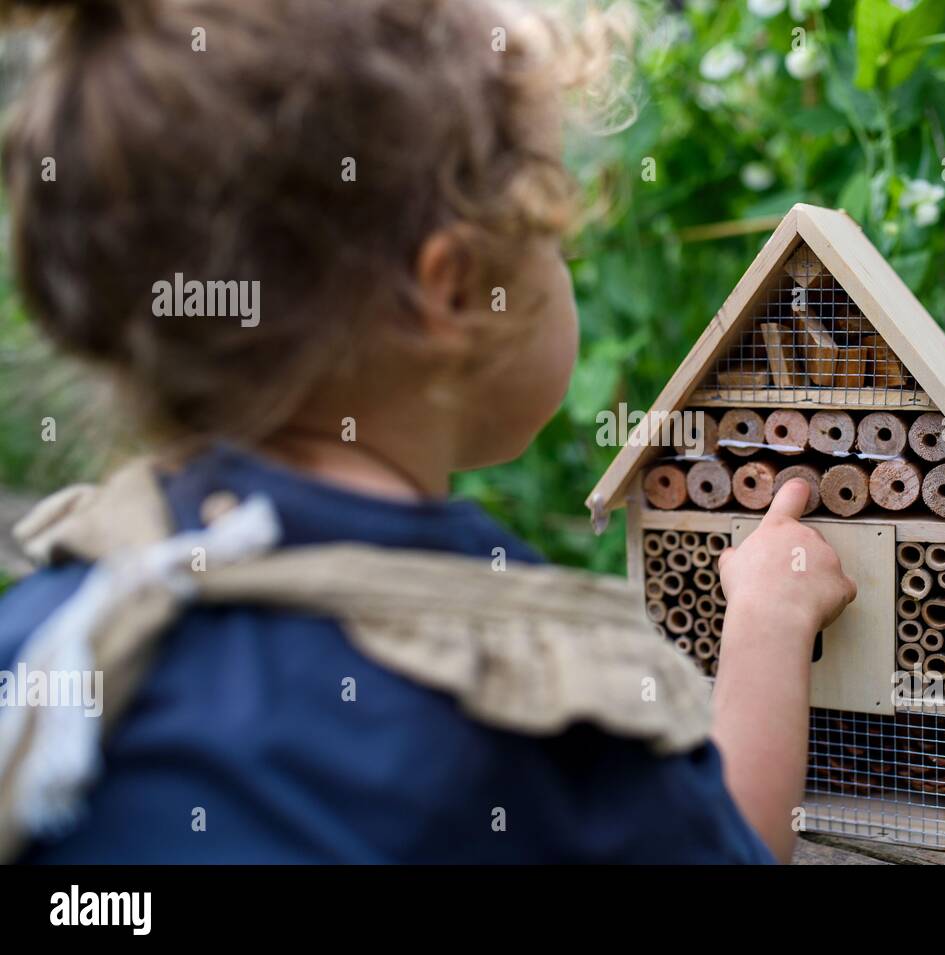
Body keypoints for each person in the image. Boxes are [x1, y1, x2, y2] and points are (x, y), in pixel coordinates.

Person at [0, 0, 856, 863]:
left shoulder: (56, 622)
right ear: (452, 292)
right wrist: (767, 625)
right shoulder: (513, 684)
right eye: (552, 242)